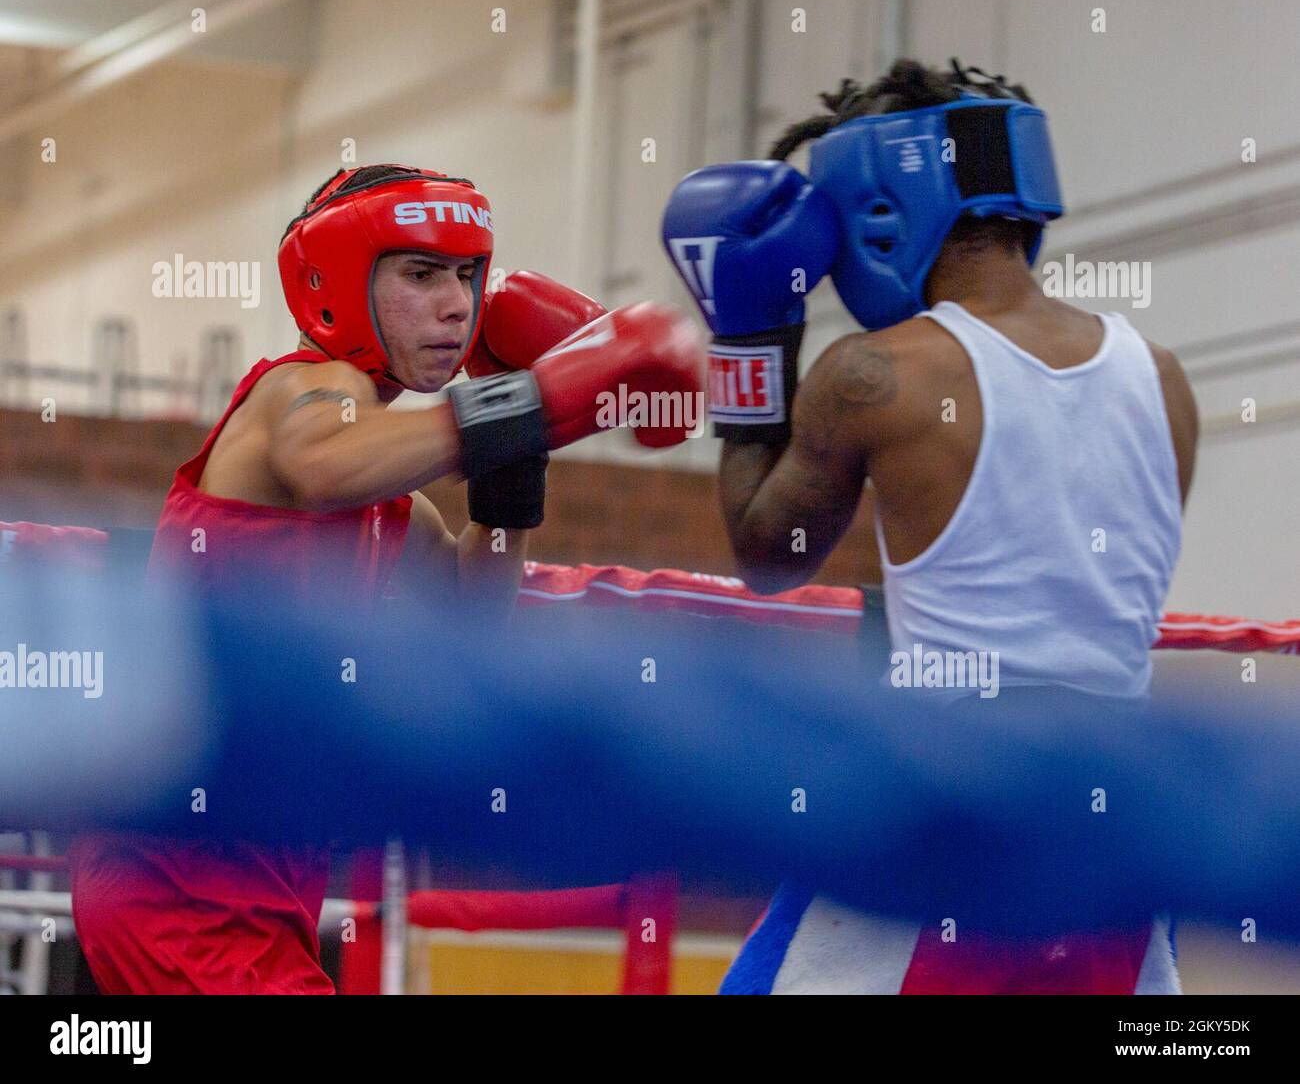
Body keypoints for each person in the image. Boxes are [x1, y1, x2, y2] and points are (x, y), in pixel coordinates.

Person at [71, 163, 703, 994]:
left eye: (468, 276)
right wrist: (533, 399)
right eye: (420, 273)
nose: (456, 303)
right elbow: (324, 461)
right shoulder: (303, 388)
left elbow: (474, 606)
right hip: (179, 885)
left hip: (249, 886)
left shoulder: (391, 509)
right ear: (335, 284)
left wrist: (518, 455)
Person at [661, 59, 1199, 994]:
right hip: (1122, 831)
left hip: (949, 810)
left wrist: (750, 341)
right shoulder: (1163, 376)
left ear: (877, 204)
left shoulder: (876, 372)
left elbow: (768, 556)